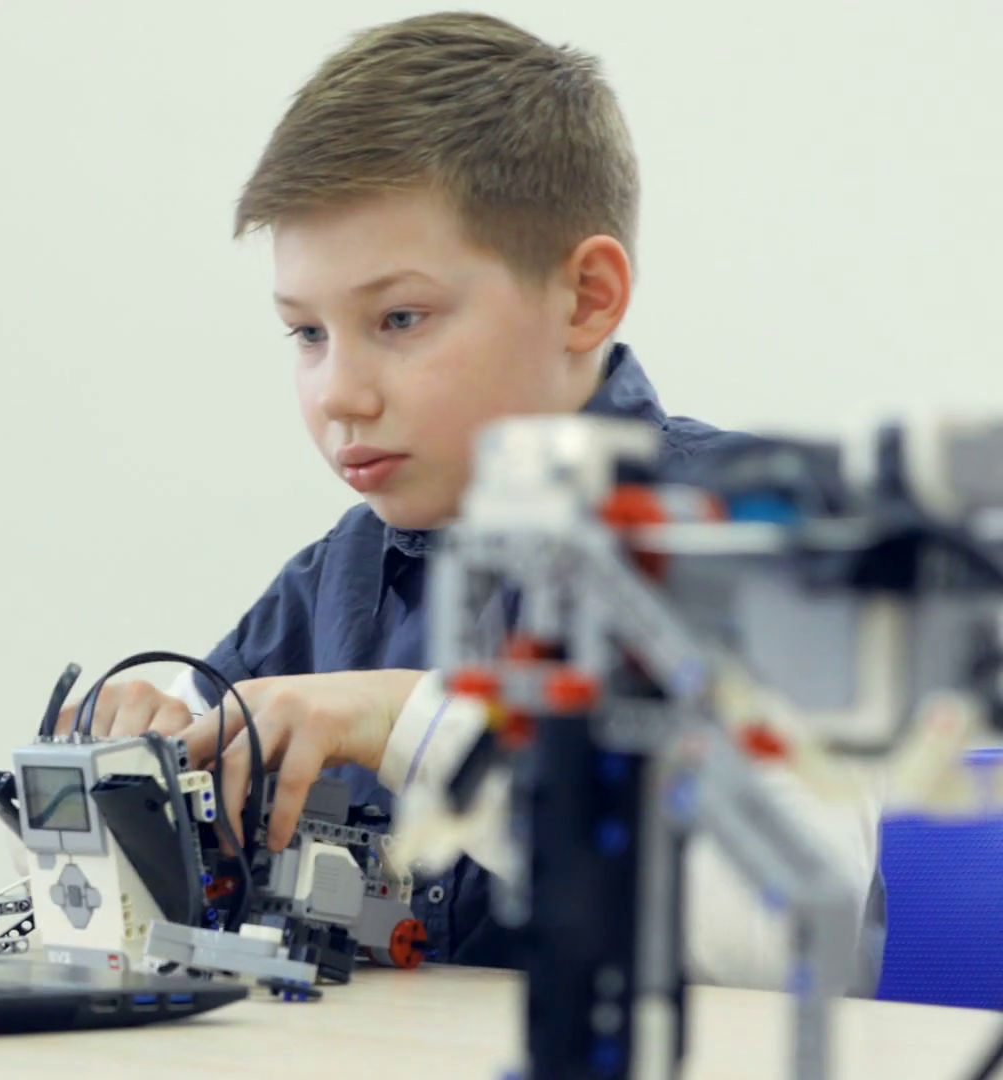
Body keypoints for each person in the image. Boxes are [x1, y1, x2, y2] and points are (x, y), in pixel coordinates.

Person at [58, 11, 883, 993]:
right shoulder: (341, 576)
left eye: (399, 319)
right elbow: (175, 875)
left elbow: (783, 925)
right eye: (307, 334)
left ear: (585, 299)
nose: (338, 393)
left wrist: (409, 721)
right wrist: (130, 774)